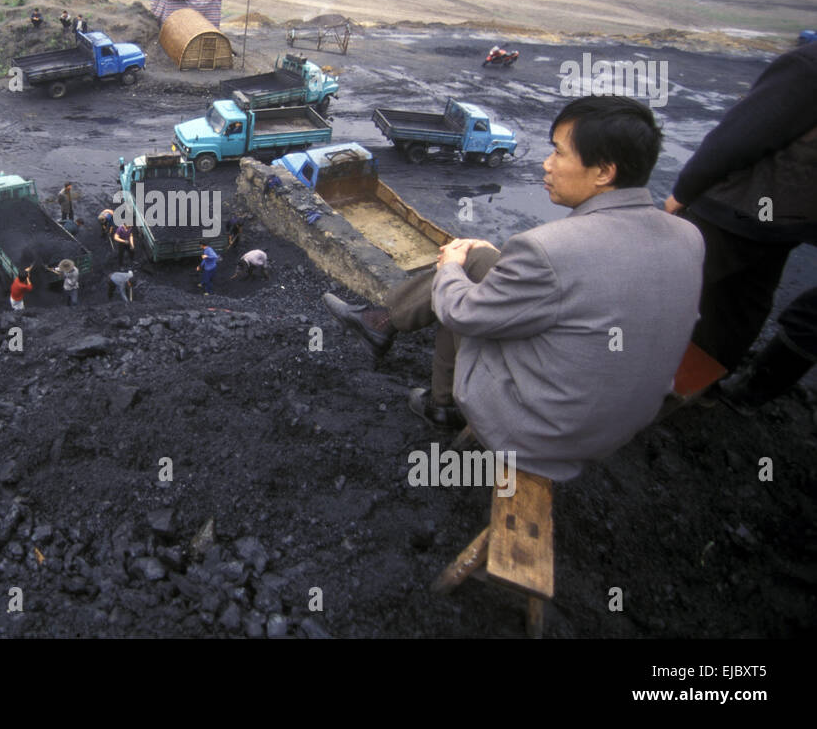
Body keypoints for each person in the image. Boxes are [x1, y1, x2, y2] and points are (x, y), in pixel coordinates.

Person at [323, 95, 705, 482]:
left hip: (541, 434)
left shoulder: (551, 246)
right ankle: (389, 331)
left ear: (604, 172)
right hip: (616, 420)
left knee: (459, 289)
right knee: (479, 260)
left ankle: (426, 378)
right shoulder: (688, 236)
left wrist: (451, 267)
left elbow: (462, 312)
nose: (546, 164)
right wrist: (486, 260)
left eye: (558, 153)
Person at [663, 40, 817, 378]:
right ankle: (700, 383)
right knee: (743, 303)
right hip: (792, 219)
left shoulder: (808, 66)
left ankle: (627, 378)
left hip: (737, 207)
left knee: (669, 285)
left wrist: (685, 190)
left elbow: (742, 135)